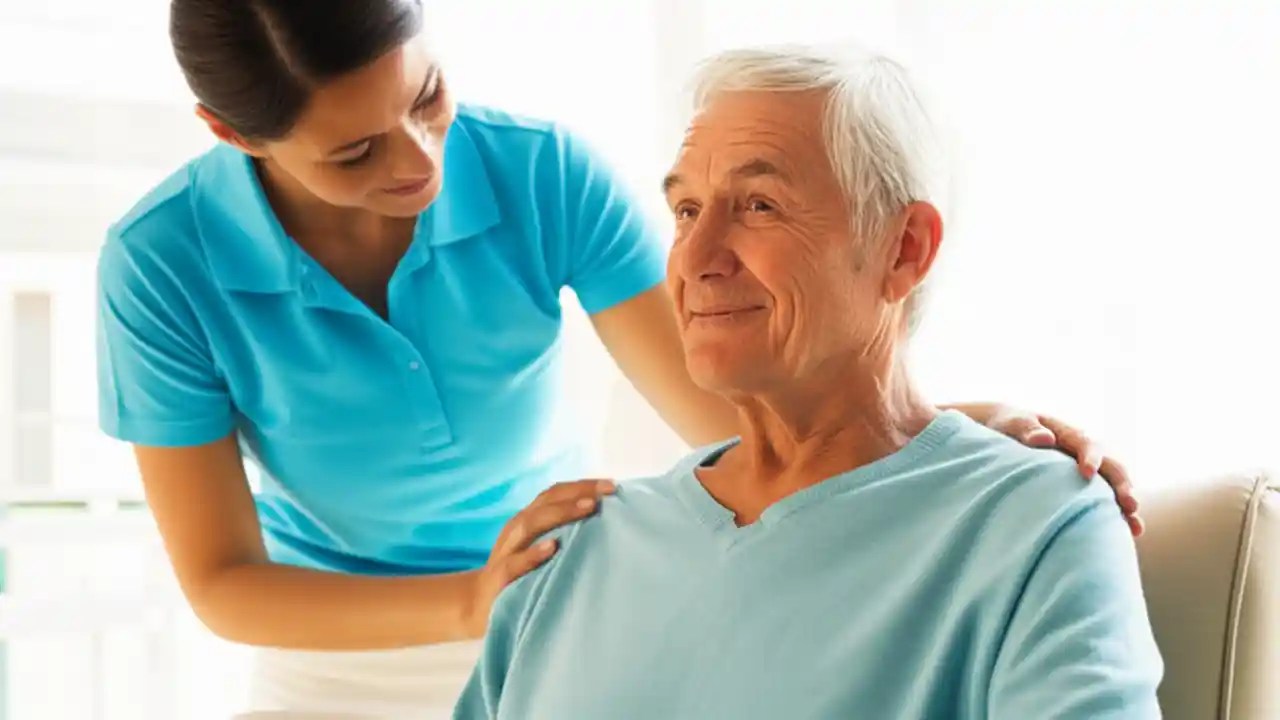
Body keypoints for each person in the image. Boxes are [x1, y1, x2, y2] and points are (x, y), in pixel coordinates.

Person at [97, 0, 1136, 714]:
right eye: (357, 151)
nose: (422, 161)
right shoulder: (162, 263)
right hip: (359, 643)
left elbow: (751, 395)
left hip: (545, 595)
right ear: (231, 134)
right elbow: (224, 578)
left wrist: (944, 440)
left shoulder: (536, 172)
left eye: (426, 98)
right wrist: (480, 597)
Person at [454, 45, 1162, 720]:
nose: (695, 259)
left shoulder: (1035, 521)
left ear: (904, 249)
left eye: (759, 205)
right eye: (686, 211)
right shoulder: (571, 549)